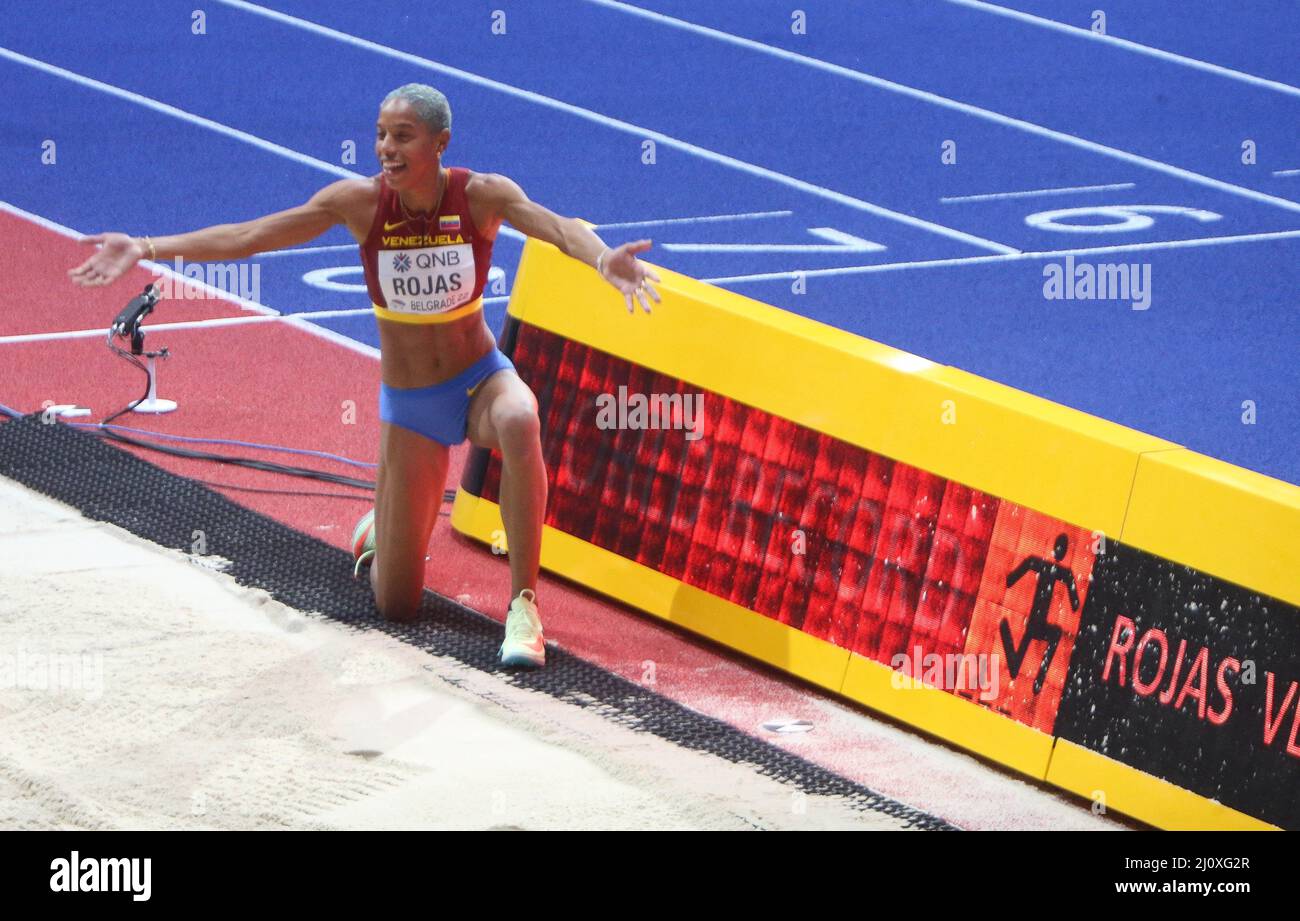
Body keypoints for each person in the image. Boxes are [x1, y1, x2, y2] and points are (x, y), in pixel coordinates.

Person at [68, 83, 661, 668]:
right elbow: (249, 237)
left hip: (480, 380)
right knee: (397, 606)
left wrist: (602, 257)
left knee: (521, 415)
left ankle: (524, 606)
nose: (386, 148)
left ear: (440, 143)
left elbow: (556, 227)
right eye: (380, 135)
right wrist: (147, 246)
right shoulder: (359, 203)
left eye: (402, 136)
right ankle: (381, 525)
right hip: (413, 406)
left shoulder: (480, 195)